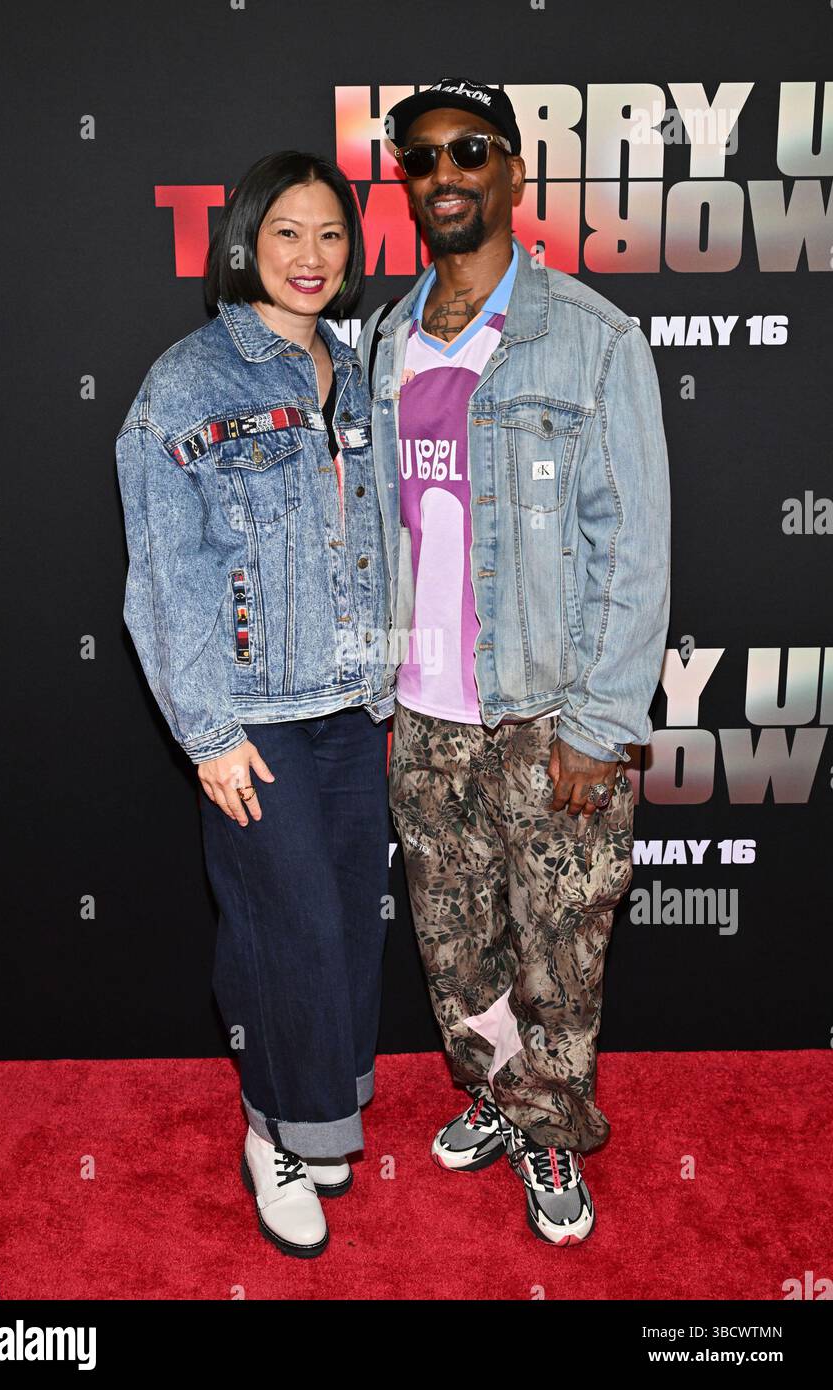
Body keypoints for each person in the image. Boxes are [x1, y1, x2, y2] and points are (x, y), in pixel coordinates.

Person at [357, 80, 671, 1245]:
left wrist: (602, 720)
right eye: (424, 156)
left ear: (513, 174)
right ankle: (501, 1091)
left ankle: (550, 1127)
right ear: (408, 181)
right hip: (425, 713)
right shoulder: (389, 338)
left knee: (559, 953)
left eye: (470, 151)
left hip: (548, 711)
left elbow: (633, 546)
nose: (445, 172)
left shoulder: (593, 339)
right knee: (457, 947)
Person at [115, 151, 395, 1259]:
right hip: (255, 712)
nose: (311, 257)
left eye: (332, 235)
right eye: (287, 233)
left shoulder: (357, 369)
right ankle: (270, 1132)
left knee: (343, 936)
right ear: (243, 243)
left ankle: (319, 1110)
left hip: (354, 701)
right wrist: (208, 729)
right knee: (286, 932)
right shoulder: (188, 381)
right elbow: (162, 571)